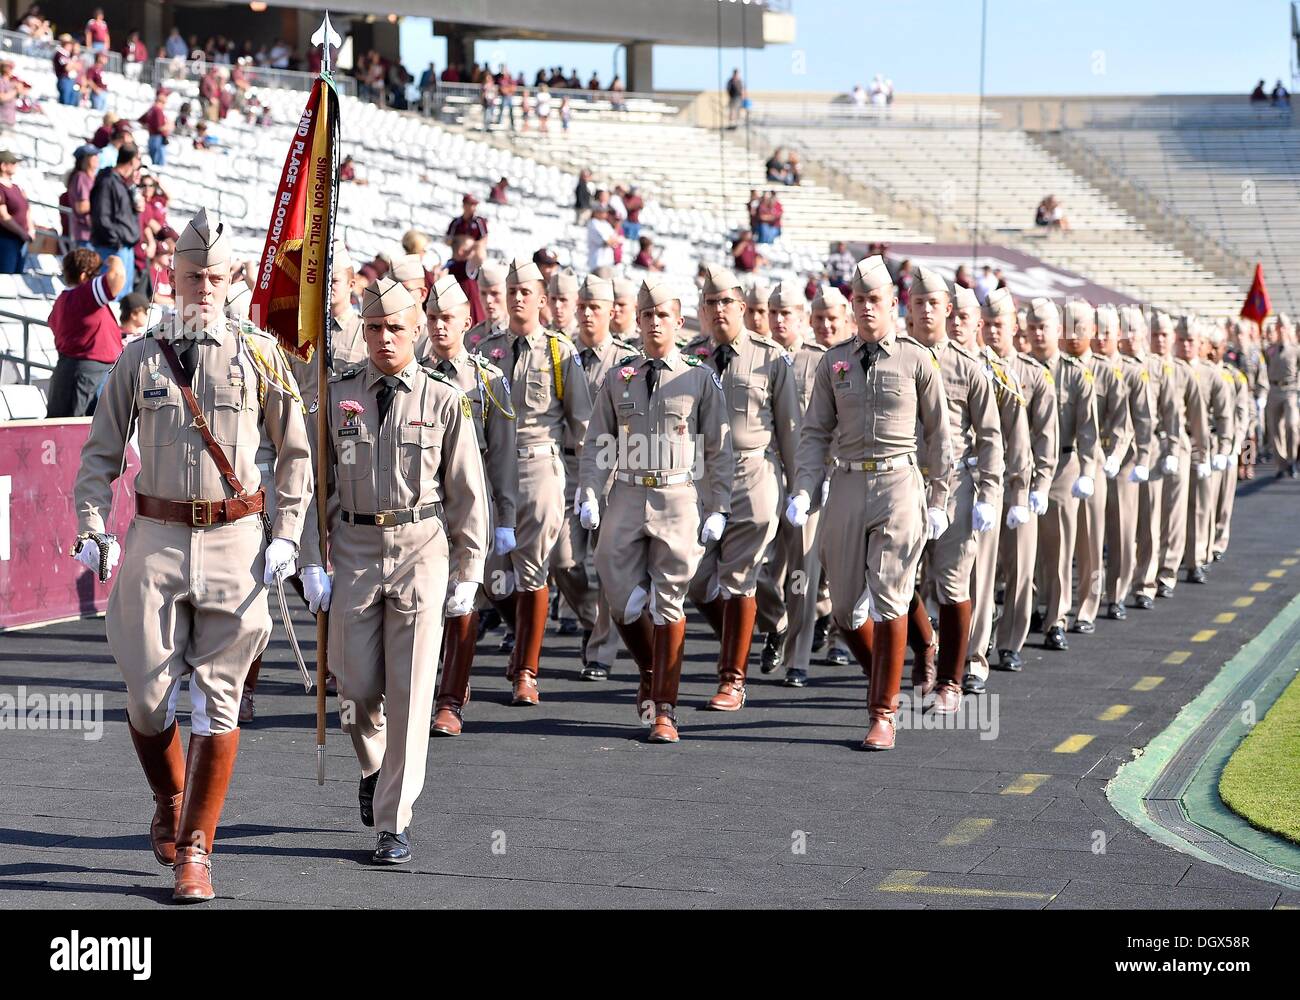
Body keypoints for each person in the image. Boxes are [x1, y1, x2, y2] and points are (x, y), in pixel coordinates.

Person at [71, 209, 312, 901]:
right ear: (170, 279)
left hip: (237, 541)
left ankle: (197, 851)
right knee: (148, 698)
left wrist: (288, 533)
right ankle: (171, 803)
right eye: (190, 277)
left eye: (214, 276)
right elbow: (99, 455)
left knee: (220, 702)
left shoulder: (262, 355)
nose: (203, 287)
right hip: (156, 537)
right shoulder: (139, 358)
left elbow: (296, 455)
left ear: (231, 279)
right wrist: (93, 525)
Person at [298, 275, 487, 866]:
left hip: (420, 547)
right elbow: (310, 487)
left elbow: (466, 493)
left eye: (396, 329)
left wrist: (468, 569)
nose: (383, 338)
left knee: (408, 690)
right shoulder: (338, 395)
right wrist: (310, 560)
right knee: (354, 686)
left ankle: (394, 819)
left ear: (416, 332)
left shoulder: (442, 399)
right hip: (353, 547)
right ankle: (374, 766)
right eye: (374, 328)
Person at [786, 256, 951, 750]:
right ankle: (900, 666)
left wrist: (940, 496)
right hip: (847, 484)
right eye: (859, 300)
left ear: (892, 304)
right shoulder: (833, 362)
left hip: (899, 483)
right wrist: (804, 485)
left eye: (874, 300)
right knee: (843, 611)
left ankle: (882, 711)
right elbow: (815, 431)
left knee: (890, 594)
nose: (866, 309)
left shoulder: (917, 360)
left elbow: (941, 436)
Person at [578, 277, 732, 740]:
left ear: (678, 318)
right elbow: (598, 440)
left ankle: (664, 707)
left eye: (662, 315)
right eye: (647, 316)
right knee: (617, 589)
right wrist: (589, 490)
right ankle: (652, 668)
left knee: (669, 602)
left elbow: (718, 449)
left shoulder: (698, 378)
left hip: (677, 497)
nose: (654, 323)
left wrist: (718, 505)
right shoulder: (620, 374)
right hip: (626, 492)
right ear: (639, 320)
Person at [471, 259, 593, 705]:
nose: (517, 297)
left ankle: (526, 670)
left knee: (532, 569)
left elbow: (581, 425)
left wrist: (586, 484)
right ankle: (520, 637)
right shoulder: (484, 347)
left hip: (539, 466)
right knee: (488, 574)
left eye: (526, 291)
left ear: (542, 299)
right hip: (491, 469)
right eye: (512, 290)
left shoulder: (559, 353)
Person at [683, 265, 799, 712]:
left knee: (736, 578)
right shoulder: (691, 359)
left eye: (726, 303)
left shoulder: (771, 359)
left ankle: (732, 680)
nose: (718, 311)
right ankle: (752, 634)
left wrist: (799, 487)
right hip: (703, 478)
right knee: (694, 580)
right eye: (710, 304)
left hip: (756, 474)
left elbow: (790, 429)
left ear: (743, 309)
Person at [422, 275, 517, 736]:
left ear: (468, 321)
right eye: (433, 318)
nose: (439, 327)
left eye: (448, 319)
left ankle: (451, 700)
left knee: (463, 598)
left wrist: (507, 519)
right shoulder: (409, 373)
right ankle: (421, 688)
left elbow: (502, 454)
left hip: (470, 500)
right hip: (420, 500)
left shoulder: (488, 380)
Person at [905, 270, 1003, 708]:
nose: (926, 310)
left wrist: (988, 493)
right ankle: (926, 647)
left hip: (958, 485)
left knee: (952, 584)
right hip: (903, 481)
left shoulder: (968, 368)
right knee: (896, 580)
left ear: (948, 309)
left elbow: (990, 436)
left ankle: (950, 681)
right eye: (918, 302)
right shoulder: (896, 360)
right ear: (908, 307)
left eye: (933, 303)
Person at [756, 282, 844, 687]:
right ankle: (777, 622)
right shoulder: (755, 359)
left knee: (803, 574)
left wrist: (825, 474)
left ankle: (798, 658)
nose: (777, 320)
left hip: (806, 480)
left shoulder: (819, 362)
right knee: (753, 568)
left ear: (800, 319)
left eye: (786, 313)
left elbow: (834, 425)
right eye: (773, 312)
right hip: (762, 475)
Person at [554, 275, 636, 681]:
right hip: (568, 467)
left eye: (595, 307)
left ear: (612, 312)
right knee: (563, 559)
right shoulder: (561, 354)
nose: (586, 313)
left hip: (610, 469)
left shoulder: (626, 360)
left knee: (606, 565)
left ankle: (601, 651)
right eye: (582, 306)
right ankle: (590, 621)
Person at [959, 286, 1031, 693]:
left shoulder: (995, 371)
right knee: (940, 578)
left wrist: (1018, 491)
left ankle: (974, 659)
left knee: (981, 577)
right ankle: (942, 650)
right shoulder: (929, 361)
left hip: (983, 479)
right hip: (940, 482)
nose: (957, 326)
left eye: (965, 319)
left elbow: (1016, 436)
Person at [984, 288, 1058, 673]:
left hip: (1019, 485)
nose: (993, 333)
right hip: (980, 482)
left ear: (1015, 327)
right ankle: (975, 641)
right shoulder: (973, 367)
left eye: (1000, 325)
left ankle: (1011, 641)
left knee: (1020, 569)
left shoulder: (1032, 374)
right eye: (988, 325)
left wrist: (1040, 486)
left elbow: (1046, 435)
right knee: (976, 569)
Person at [1025, 298, 1097, 652]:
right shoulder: (1018, 368)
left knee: (1058, 547)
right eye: (1033, 328)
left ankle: (1056, 618)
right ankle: (1028, 609)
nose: (1039, 334)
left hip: (1062, 467)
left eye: (1045, 328)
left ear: (1058, 331)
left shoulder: (1073, 372)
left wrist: (1088, 469)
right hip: (1022, 468)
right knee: (1022, 551)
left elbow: (1087, 428)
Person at [1063, 299, 1129, 634]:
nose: (1076, 335)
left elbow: (1121, 421)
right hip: (1058, 462)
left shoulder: (1107, 371)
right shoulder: (1055, 369)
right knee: (1057, 543)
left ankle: (1087, 606)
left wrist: (1114, 456)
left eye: (1083, 329)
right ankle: (1054, 607)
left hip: (1092, 461)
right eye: (1069, 327)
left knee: (1091, 539)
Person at [1148, 311, 1210, 600]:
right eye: (1155, 335)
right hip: (1147, 446)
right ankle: (1145, 571)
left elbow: (1197, 417)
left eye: (1165, 336)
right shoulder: (1142, 368)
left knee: (1173, 511)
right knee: (1148, 513)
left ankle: (1167, 571)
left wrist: (1203, 453)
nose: (1160, 341)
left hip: (1178, 446)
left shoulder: (1184, 372)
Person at [1102, 305, 1156, 620]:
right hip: (1094, 456)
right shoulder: (1101, 367)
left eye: (1135, 330)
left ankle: (1119, 592)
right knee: (1092, 536)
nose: (1129, 337)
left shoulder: (1137, 371)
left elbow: (1144, 420)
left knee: (1124, 530)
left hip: (1125, 459)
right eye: (1125, 330)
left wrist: (1143, 457)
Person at [1181, 318, 1234, 582]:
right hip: (1176, 442)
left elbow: (1225, 416)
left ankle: (1196, 558)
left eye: (1197, 342)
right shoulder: (1171, 370)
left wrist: (1225, 449)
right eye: (1186, 340)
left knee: (1201, 505)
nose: (1191, 346)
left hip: (1204, 444)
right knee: (1173, 506)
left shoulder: (1213, 375)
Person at [45, 249, 126, 417]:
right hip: (83, 372)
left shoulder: (64, 300)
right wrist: (113, 258)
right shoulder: (81, 295)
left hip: (83, 370)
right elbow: (117, 277)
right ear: (83, 276)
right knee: (71, 431)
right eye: (94, 275)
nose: (97, 279)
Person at [90, 145, 141, 299]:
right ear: (132, 161)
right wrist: (116, 241)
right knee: (111, 296)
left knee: (123, 301)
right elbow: (101, 217)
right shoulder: (107, 182)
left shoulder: (120, 183)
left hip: (124, 248)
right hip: (113, 248)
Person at [1263, 316, 1299, 477]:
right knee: (1274, 428)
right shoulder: (1269, 349)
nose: (1280, 329)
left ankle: (1292, 460)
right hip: (1273, 389)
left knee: (1291, 425)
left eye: (1283, 326)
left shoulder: (1295, 349)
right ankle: (1281, 463)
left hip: (1290, 389)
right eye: (1278, 326)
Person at [0, 149, 32, 273]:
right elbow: (3, 217)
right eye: (13, 163)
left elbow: (27, 208)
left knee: (17, 279)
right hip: (6, 240)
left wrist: (30, 229)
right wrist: (22, 232)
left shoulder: (17, 187)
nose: (16, 166)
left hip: (20, 241)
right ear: (3, 166)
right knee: (6, 280)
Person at [66, 144, 99, 248]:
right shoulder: (81, 177)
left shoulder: (92, 178)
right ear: (85, 160)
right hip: (85, 235)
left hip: (93, 234)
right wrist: (102, 202)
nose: (97, 158)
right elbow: (81, 207)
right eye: (93, 156)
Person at [139, 90, 171, 167]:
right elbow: (159, 128)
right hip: (158, 138)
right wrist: (169, 125)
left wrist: (149, 126)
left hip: (152, 137)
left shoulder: (152, 109)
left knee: (154, 161)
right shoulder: (158, 110)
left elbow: (141, 120)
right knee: (158, 164)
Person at [587, 205, 618, 273]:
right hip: (597, 263)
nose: (605, 213)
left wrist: (611, 241)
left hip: (608, 262)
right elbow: (605, 242)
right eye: (602, 212)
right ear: (596, 212)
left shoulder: (606, 224)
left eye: (605, 212)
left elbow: (616, 240)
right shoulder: (593, 223)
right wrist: (611, 241)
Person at [54, 34, 78, 106]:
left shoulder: (67, 55)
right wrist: (73, 65)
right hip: (64, 79)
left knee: (70, 103)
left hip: (69, 79)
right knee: (65, 103)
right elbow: (67, 68)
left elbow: (78, 66)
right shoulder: (60, 54)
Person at [0, 60, 20, 132]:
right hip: (3, 119)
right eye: (11, 68)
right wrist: (15, 91)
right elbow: (1, 97)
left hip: (10, 119)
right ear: (6, 69)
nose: (13, 71)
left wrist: (19, 89)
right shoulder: (1, 81)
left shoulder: (11, 82)